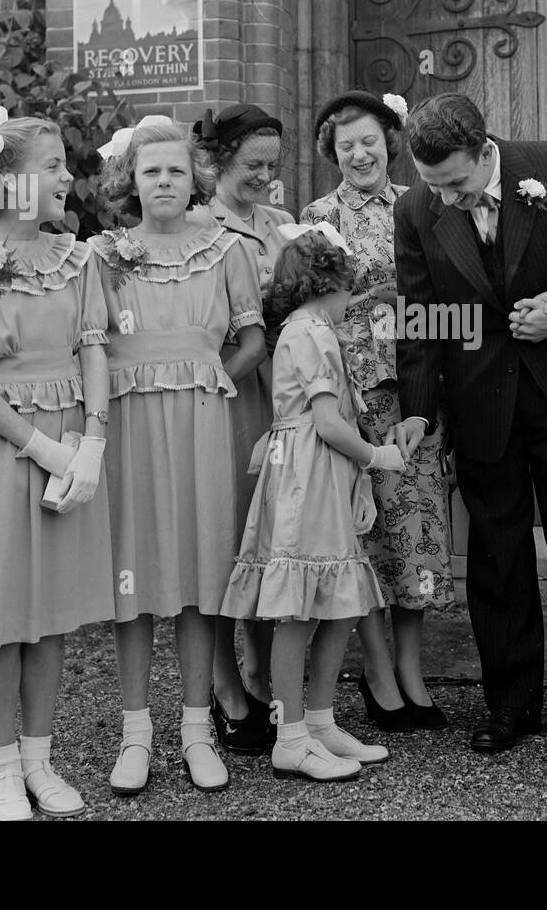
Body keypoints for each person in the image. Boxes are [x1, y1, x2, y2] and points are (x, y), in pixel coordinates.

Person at [390, 93, 547, 751]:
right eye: (433, 186)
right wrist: (417, 411)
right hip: (479, 404)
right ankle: (511, 705)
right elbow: (420, 316)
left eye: (458, 184)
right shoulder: (417, 208)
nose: (446, 200)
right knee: (497, 558)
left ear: (483, 147)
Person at [0, 109, 114, 820]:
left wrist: (92, 440)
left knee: (52, 611)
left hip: (70, 438)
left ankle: (40, 758)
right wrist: (44, 449)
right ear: (8, 183)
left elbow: (93, 349)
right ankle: (1, 770)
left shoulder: (81, 258)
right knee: (1, 611)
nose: (68, 175)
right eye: (52, 164)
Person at [90, 118, 266, 795]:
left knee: (197, 575)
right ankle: (136, 732)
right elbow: (89, 342)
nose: (163, 181)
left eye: (174, 171)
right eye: (149, 171)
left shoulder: (228, 249)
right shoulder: (103, 254)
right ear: (130, 182)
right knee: (133, 582)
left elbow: (252, 338)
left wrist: (221, 371)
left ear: (195, 178)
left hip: (201, 423)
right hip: (131, 423)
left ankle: (197, 729)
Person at [220, 229, 406, 780]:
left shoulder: (308, 330)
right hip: (308, 478)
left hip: (321, 476)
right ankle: (292, 737)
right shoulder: (313, 334)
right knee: (298, 610)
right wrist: (378, 458)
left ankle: (319, 722)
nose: (353, 301)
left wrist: (360, 482)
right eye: (349, 289)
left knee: (341, 601)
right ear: (331, 283)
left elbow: (333, 419)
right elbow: (327, 424)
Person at [304, 90, 453, 731]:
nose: (359, 154)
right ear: (332, 154)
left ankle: (413, 669)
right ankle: (377, 670)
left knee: (416, 531)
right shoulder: (318, 216)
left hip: (412, 391)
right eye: (346, 146)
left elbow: (447, 295)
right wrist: (375, 296)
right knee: (361, 533)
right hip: (351, 393)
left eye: (369, 141)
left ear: (389, 141)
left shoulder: (420, 204)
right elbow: (312, 306)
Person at [189, 104, 295, 754]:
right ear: (217, 161)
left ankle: (262, 676)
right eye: (252, 164)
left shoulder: (283, 225)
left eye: (272, 166)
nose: (263, 176)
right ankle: (225, 691)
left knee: (268, 538)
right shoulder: (199, 229)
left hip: (280, 393)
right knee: (223, 536)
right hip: (228, 394)